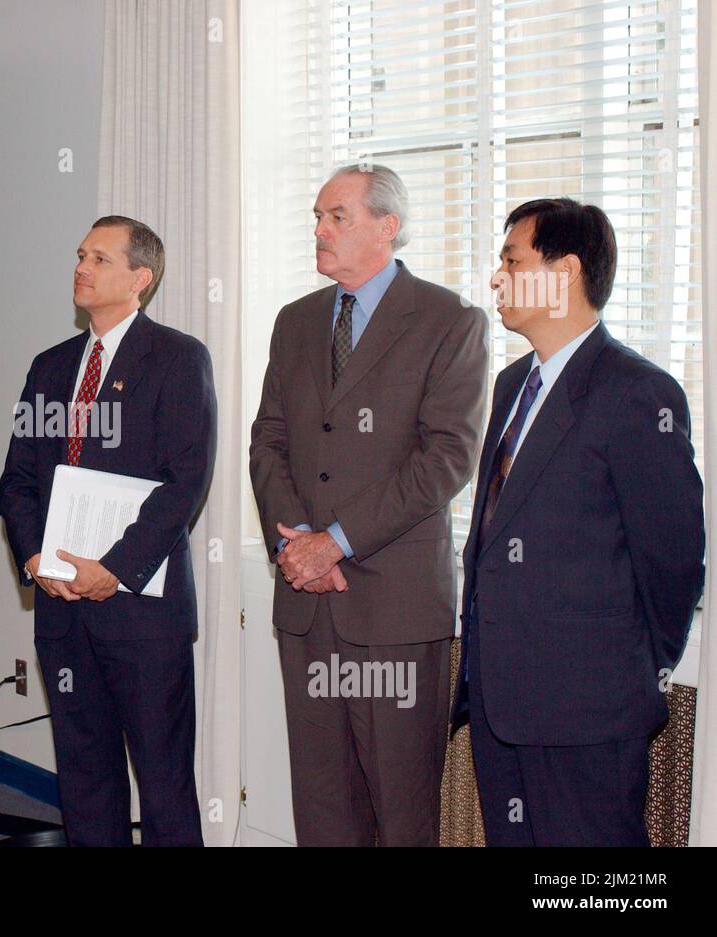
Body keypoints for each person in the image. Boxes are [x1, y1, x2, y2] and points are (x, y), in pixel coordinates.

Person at [451, 198, 704, 846]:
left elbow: (672, 564)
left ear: (563, 272)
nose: (495, 277)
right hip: (498, 706)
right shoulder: (511, 385)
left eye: (511, 260)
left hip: (588, 716)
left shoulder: (637, 394)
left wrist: (620, 676)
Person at [249, 164, 488, 845]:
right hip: (306, 601)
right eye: (317, 217)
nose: (319, 229)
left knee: (401, 805)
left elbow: (446, 458)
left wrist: (337, 541)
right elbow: (268, 439)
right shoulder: (295, 321)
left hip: (395, 609)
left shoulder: (448, 320)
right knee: (323, 806)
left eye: (337, 216)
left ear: (387, 228)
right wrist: (297, 546)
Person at [0, 215, 216, 846]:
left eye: (99, 258)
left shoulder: (178, 359)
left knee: (164, 781)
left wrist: (114, 569)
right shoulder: (50, 368)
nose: (82, 268)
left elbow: (185, 483)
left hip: (141, 615)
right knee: (85, 779)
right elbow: (17, 480)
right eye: (79, 255)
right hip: (62, 609)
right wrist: (37, 557)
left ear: (139, 278)